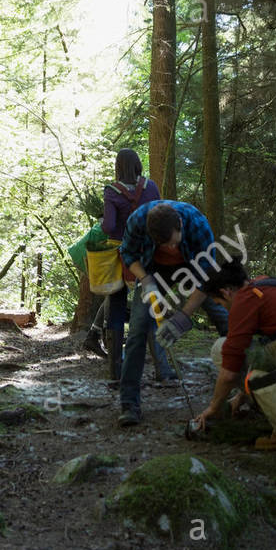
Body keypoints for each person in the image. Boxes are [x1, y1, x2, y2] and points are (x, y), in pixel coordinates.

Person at [191, 257, 276, 449]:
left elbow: (229, 372)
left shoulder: (244, 301)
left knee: (220, 348)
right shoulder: (263, 284)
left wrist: (214, 407)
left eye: (220, 303)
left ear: (226, 292)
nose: (224, 308)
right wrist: (241, 396)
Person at [117, 199, 229, 426]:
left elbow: (207, 280)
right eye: (163, 244)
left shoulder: (197, 224)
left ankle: (245, 388)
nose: (170, 248)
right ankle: (129, 403)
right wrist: (146, 280)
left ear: (179, 224)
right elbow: (127, 253)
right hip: (153, 270)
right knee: (138, 327)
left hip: (193, 267)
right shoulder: (138, 220)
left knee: (223, 317)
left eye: (172, 242)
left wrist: (182, 318)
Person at [94, 148, 177, 386]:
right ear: (138, 164)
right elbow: (162, 214)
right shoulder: (150, 187)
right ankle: (163, 369)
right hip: (150, 253)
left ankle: (116, 372)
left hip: (121, 254)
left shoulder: (111, 191)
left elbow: (109, 225)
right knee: (151, 308)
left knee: (117, 307)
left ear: (118, 167)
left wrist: (102, 223)